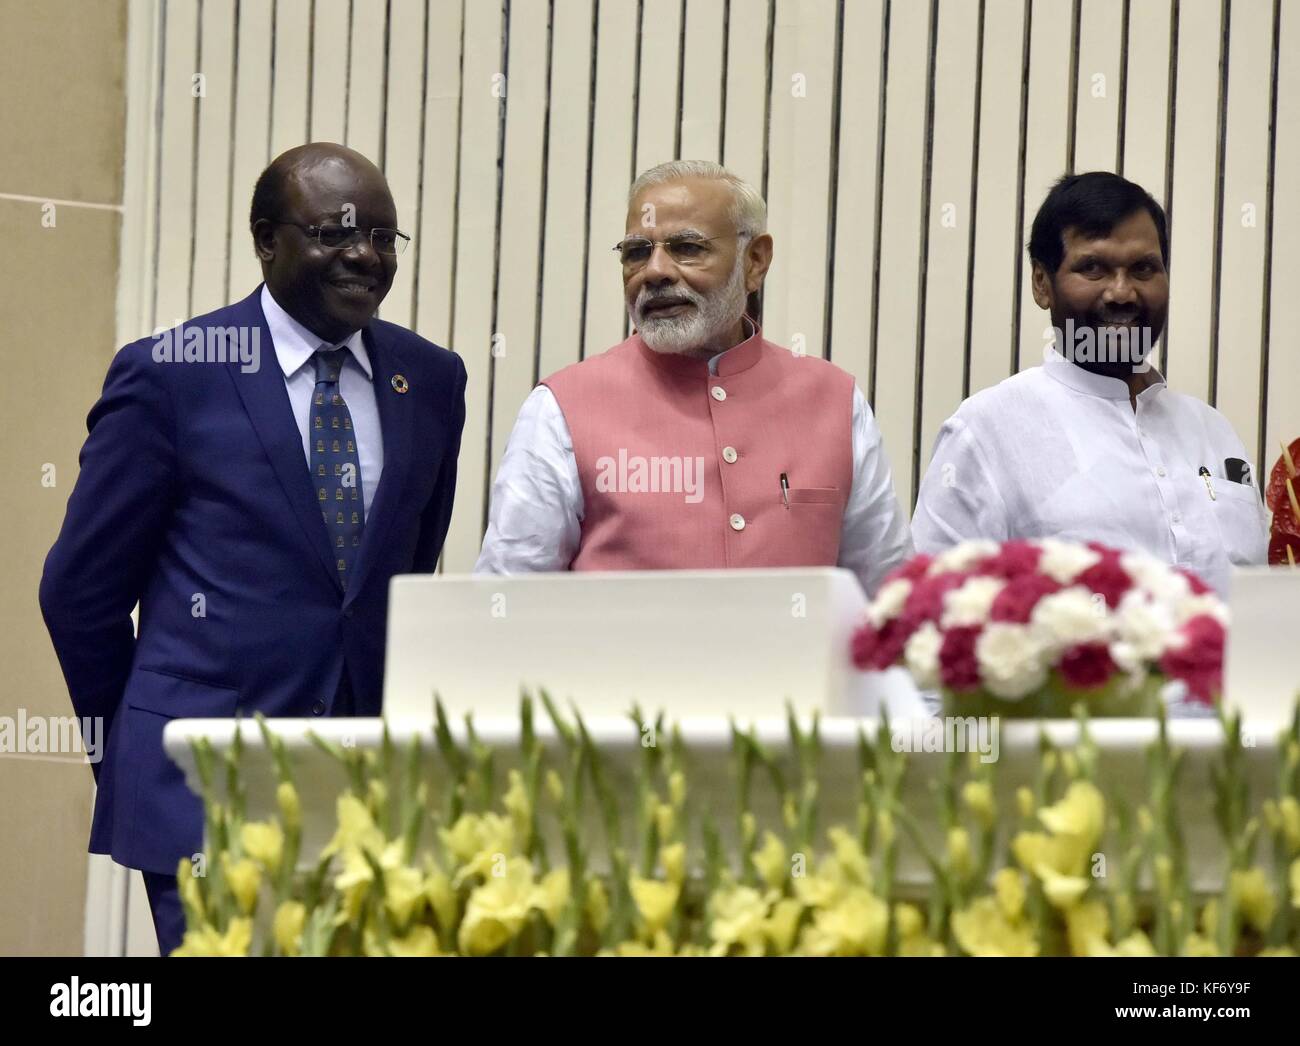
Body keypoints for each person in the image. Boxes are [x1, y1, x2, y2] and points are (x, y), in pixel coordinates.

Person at [39, 143, 466, 955]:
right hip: (207, 789)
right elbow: (78, 595)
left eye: (383, 237)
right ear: (267, 240)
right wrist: (134, 749)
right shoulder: (172, 374)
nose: (364, 256)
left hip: (366, 796)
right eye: (336, 233)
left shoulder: (431, 379)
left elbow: (406, 581)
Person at [476, 160, 912, 597]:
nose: (655, 271)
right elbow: (509, 600)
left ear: (755, 262)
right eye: (636, 252)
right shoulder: (562, 408)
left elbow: (888, 598)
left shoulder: (833, 401)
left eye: (686, 247)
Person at [911, 171, 1267, 595]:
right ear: (1042, 283)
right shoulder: (986, 431)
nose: (1122, 293)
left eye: (1143, 268)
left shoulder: (1213, 431)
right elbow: (931, 618)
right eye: (1093, 268)